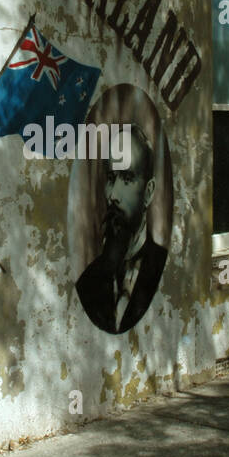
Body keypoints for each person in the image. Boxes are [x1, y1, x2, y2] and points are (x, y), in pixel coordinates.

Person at [75, 124, 167, 333]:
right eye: (110, 179)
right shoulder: (88, 281)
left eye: (127, 179)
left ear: (149, 191)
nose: (113, 195)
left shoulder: (160, 265)